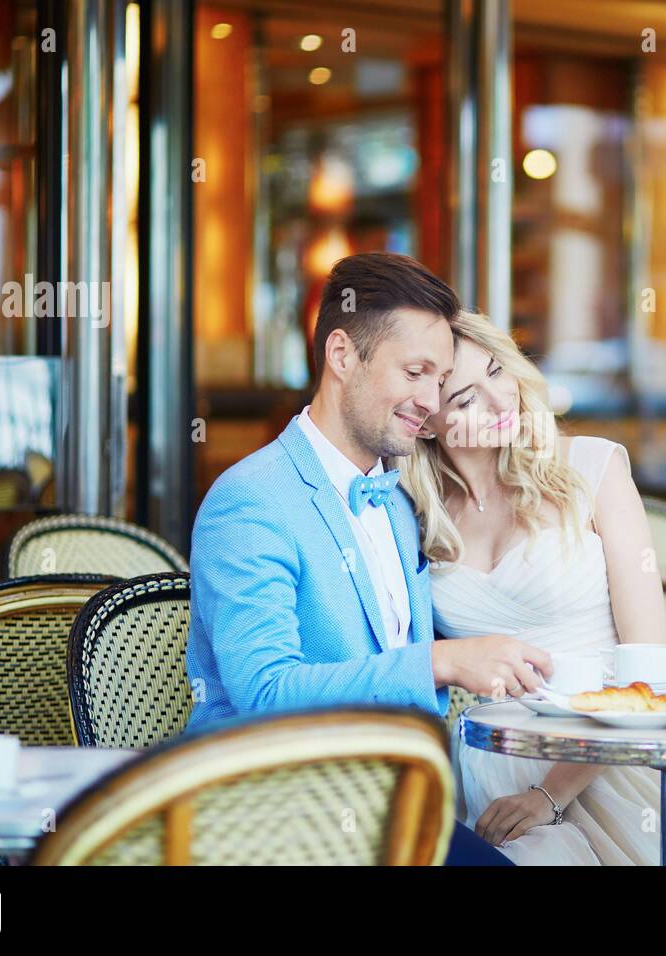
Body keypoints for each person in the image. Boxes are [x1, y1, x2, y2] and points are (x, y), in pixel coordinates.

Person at [186, 252, 551, 865]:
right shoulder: (251, 500)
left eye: (439, 381)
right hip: (275, 815)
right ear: (341, 356)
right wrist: (441, 661)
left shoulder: (401, 500)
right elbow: (266, 691)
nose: (431, 402)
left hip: (393, 811)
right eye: (415, 373)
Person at [397, 311, 666, 865]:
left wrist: (551, 793)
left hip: (617, 758)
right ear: (428, 422)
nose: (502, 402)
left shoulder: (592, 468)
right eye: (467, 398)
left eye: (499, 371)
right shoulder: (418, 517)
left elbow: (649, 667)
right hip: (494, 766)